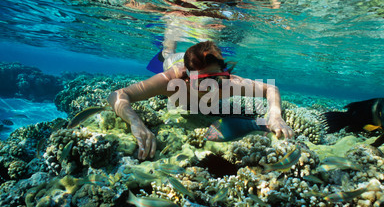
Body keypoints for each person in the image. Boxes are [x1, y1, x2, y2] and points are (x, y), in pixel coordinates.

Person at [107, 41, 294, 160]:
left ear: (225, 73)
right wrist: (135, 121)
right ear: (188, 79)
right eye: (203, 82)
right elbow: (117, 95)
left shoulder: (229, 83)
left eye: (217, 79)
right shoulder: (171, 81)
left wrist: (275, 115)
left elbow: (271, 88)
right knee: (168, 53)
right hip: (175, 61)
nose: (212, 87)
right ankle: (168, 47)